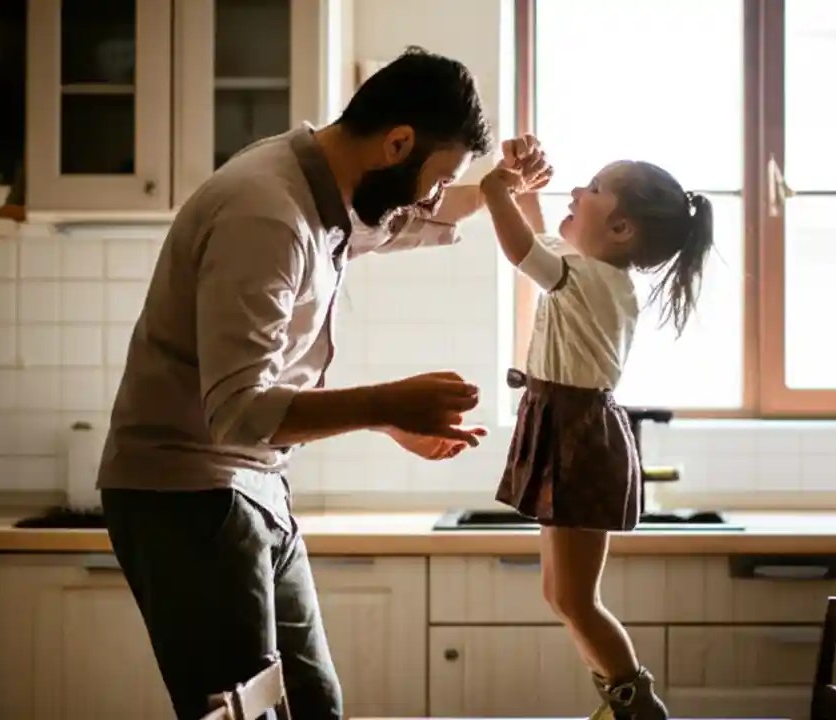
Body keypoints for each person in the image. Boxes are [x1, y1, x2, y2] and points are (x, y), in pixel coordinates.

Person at [96, 46, 508, 719]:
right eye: (434, 179)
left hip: (251, 483)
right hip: (188, 496)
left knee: (314, 706)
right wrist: (384, 401)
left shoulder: (325, 196)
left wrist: (384, 417)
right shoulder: (267, 214)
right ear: (396, 142)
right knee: (247, 716)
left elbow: (400, 225)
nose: (430, 201)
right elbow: (237, 410)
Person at [481, 136, 714, 720]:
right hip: (566, 429)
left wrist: (495, 190)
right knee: (561, 595)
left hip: (579, 439)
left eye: (593, 188)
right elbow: (539, 245)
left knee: (577, 600)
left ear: (621, 231)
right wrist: (525, 188)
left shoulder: (590, 281)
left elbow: (521, 250)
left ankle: (637, 705)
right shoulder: (586, 271)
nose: (578, 191)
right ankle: (619, 702)